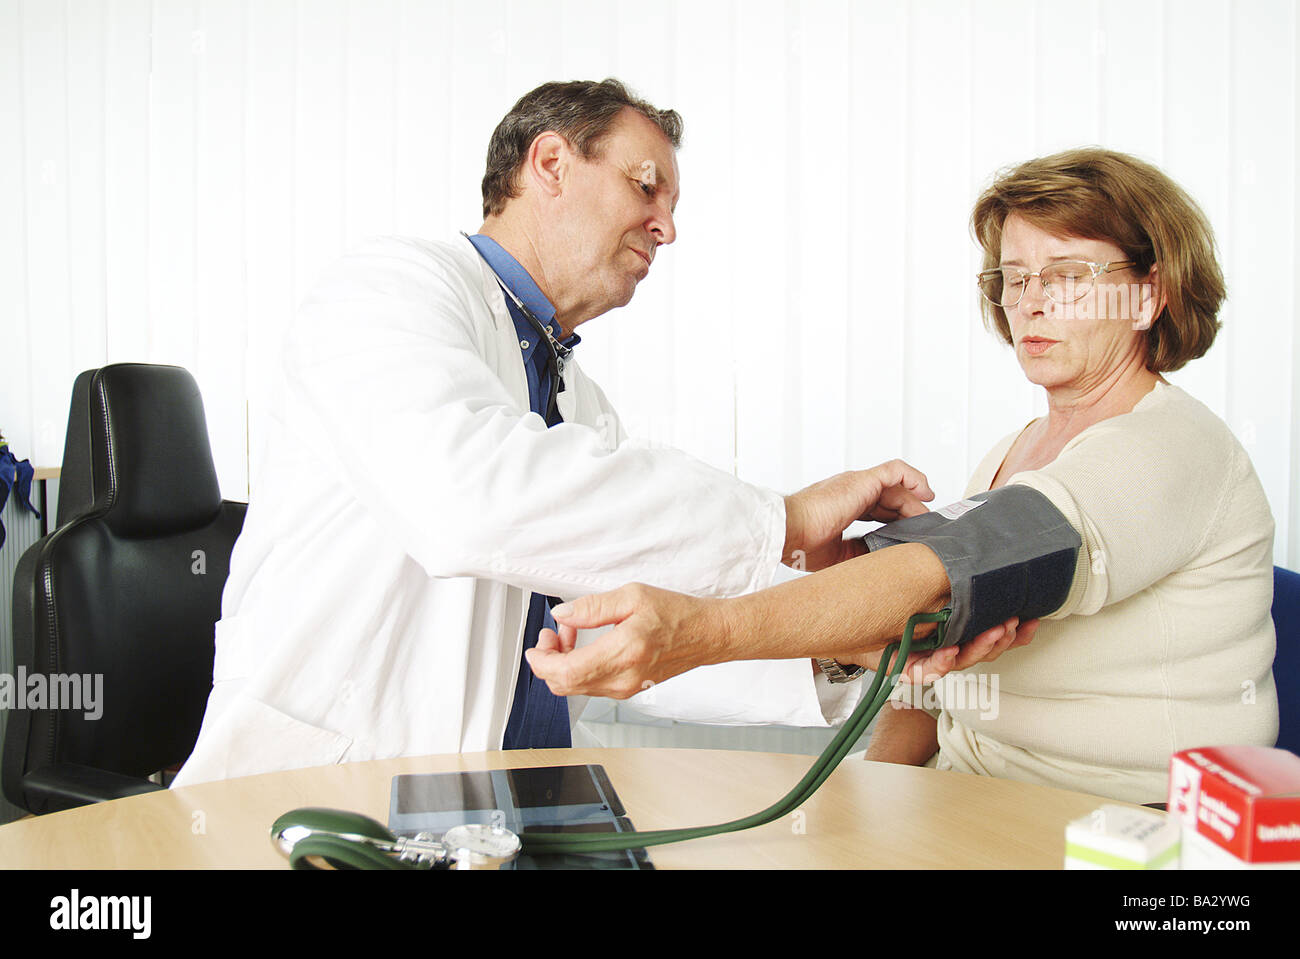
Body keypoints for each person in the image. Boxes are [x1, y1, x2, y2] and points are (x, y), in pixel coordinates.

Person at [172, 79, 1008, 787]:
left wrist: (835, 642)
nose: (667, 227)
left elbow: (614, 635)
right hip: (326, 788)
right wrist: (780, 519)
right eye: (648, 188)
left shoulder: (580, 403)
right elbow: (471, 502)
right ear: (550, 163)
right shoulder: (388, 293)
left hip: (509, 806)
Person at [528, 147, 1278, 805]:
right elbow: (932, 653)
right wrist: (867, 793)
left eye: (1070, 275)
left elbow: (943, 576)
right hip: (973, 797)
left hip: (1115, 828)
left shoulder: (1171, 448)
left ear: (1149, 294)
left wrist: (697, 632)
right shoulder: (1016, 450)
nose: (1032, 301)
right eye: (1015, 277)